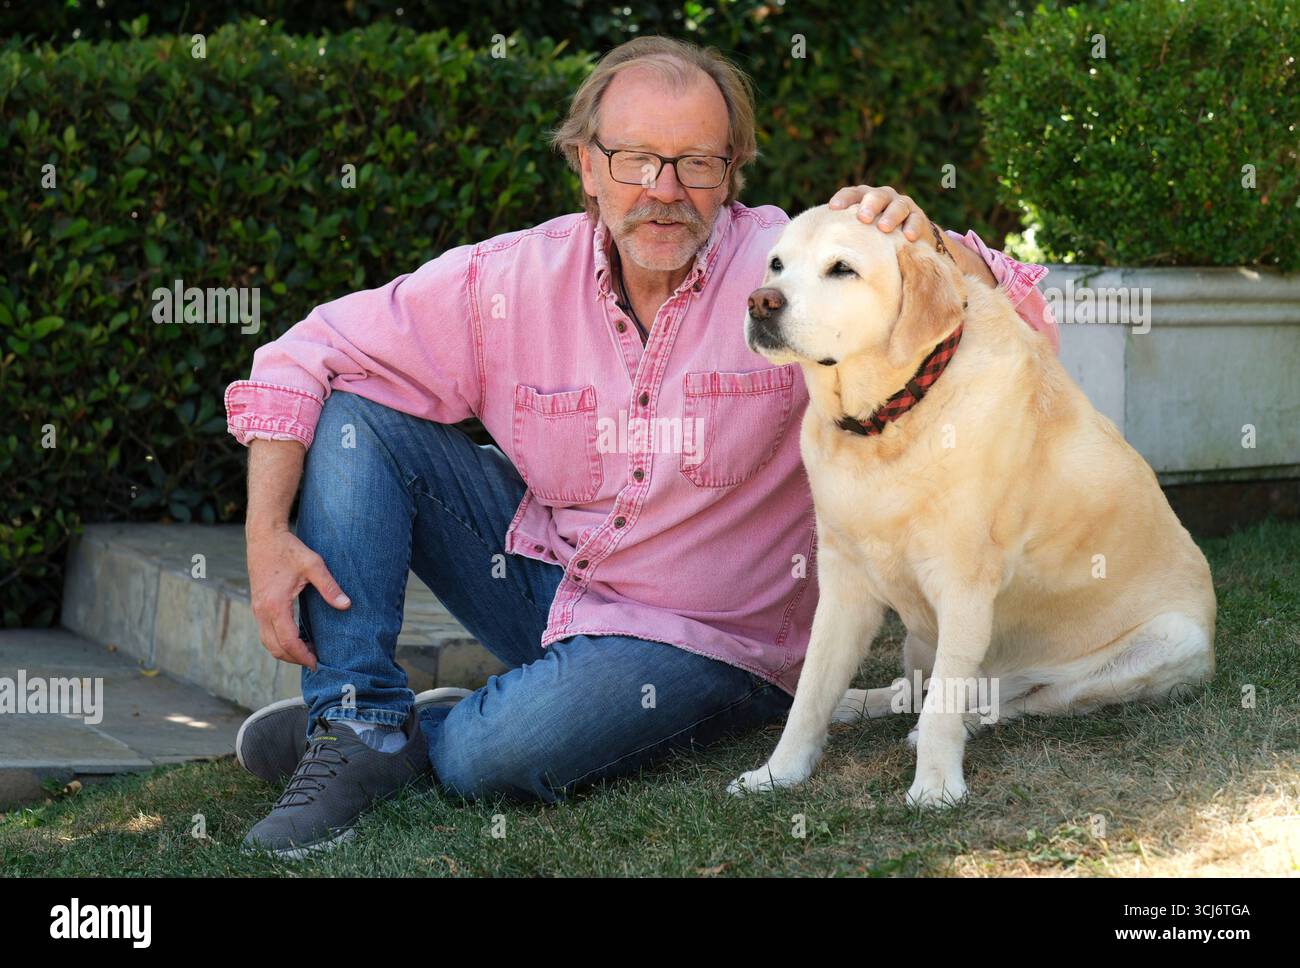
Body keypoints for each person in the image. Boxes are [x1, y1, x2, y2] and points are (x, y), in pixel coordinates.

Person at [225, 35, 1059, 857]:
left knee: (498, 758)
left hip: (711, 639)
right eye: (635, 159)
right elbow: (304, 353)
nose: (665, 191)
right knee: (353, 415)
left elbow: (1021, 320)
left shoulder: (788, 277)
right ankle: (361, 723)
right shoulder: (509, 282)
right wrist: (266, 534)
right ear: (587, 165)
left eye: (697, 163)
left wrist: (936, 245)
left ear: (732, 174)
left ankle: (428, 729)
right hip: (551, 588)